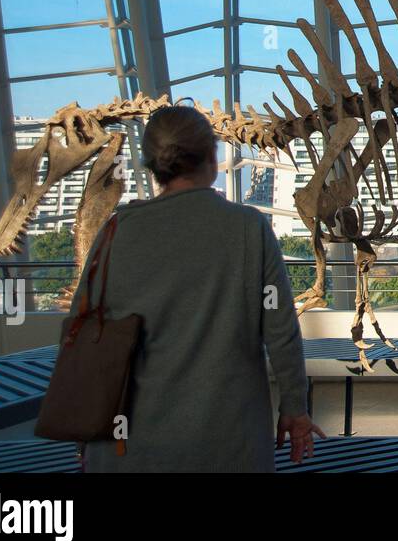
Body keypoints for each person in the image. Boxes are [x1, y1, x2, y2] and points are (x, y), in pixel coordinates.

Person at [71, 104, 322, 471]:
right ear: (211, 155)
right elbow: (281, 332)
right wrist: (295, 410)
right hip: (229, 447)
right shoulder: (248, 229)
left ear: (152, 165)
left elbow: (84, 336)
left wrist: (84, 430)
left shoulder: (115, 232)